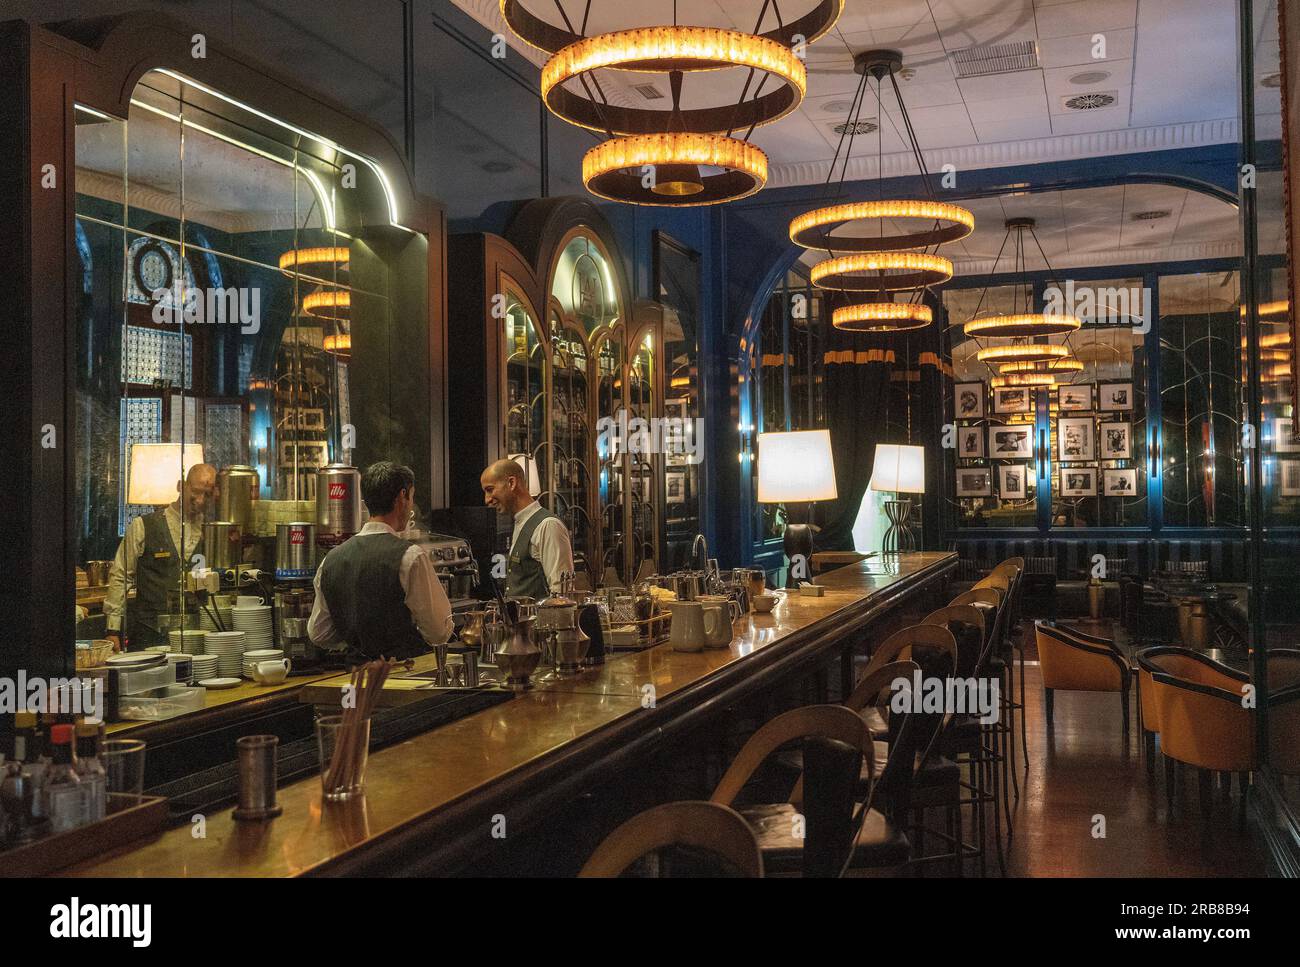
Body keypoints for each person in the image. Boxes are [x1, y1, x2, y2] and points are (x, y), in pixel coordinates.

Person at [308, 461, 452, 660]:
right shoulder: (410, 556)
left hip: (355, 678)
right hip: (403, 675)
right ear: (403, 496)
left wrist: (357, 642)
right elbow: (439, 632)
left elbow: (319, 634)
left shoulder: (330, 560)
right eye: (411, 497)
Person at [105, 463, 218, 651]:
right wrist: (113, 629)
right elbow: (121, 576)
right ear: (181, 486)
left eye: (207, 494)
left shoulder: (210, 531)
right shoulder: (143, 525)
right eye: (196, 492)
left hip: (195, 634)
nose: (200, 500)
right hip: (149, 633)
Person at [480, 458, 574, 599]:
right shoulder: (519, 522)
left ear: (511, 483)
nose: (487, 499)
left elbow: (562, 593)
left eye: (490, 490)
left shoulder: (547, 525)